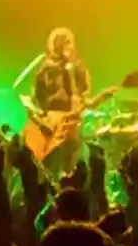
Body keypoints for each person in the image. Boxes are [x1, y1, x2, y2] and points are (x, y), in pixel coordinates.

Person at [27, 28, 94, 174]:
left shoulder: (78, 67)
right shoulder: (45, 69)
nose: (70, 46)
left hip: (73, 120)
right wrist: (41, 120)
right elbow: (36, 98)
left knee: (73, 161)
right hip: (52, 121)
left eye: (70, 42)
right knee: (51, 163)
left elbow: (85, 92)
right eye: (65, 42)